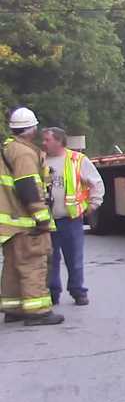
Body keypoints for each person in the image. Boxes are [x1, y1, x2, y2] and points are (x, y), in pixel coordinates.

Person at [0, 107, 64, 325]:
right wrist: (41, 217)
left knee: (13, 266)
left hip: (11, 223)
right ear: (30, 129)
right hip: (25, 222)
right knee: (33, 263)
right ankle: (38, 312)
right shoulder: (25, 153)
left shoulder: (10, 148)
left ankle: (15, 308)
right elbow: (27, 186)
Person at [42, 127, 104, 306]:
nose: (43, 143)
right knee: (50, 260)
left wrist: (94, 204)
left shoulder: (77, 160)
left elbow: (96, 183)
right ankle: (53, 292)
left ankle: (78, 291)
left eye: (47, 140)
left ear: (59, 141)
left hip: (71, 219)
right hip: (48, 220)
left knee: (74, 259)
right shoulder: (40, 160)